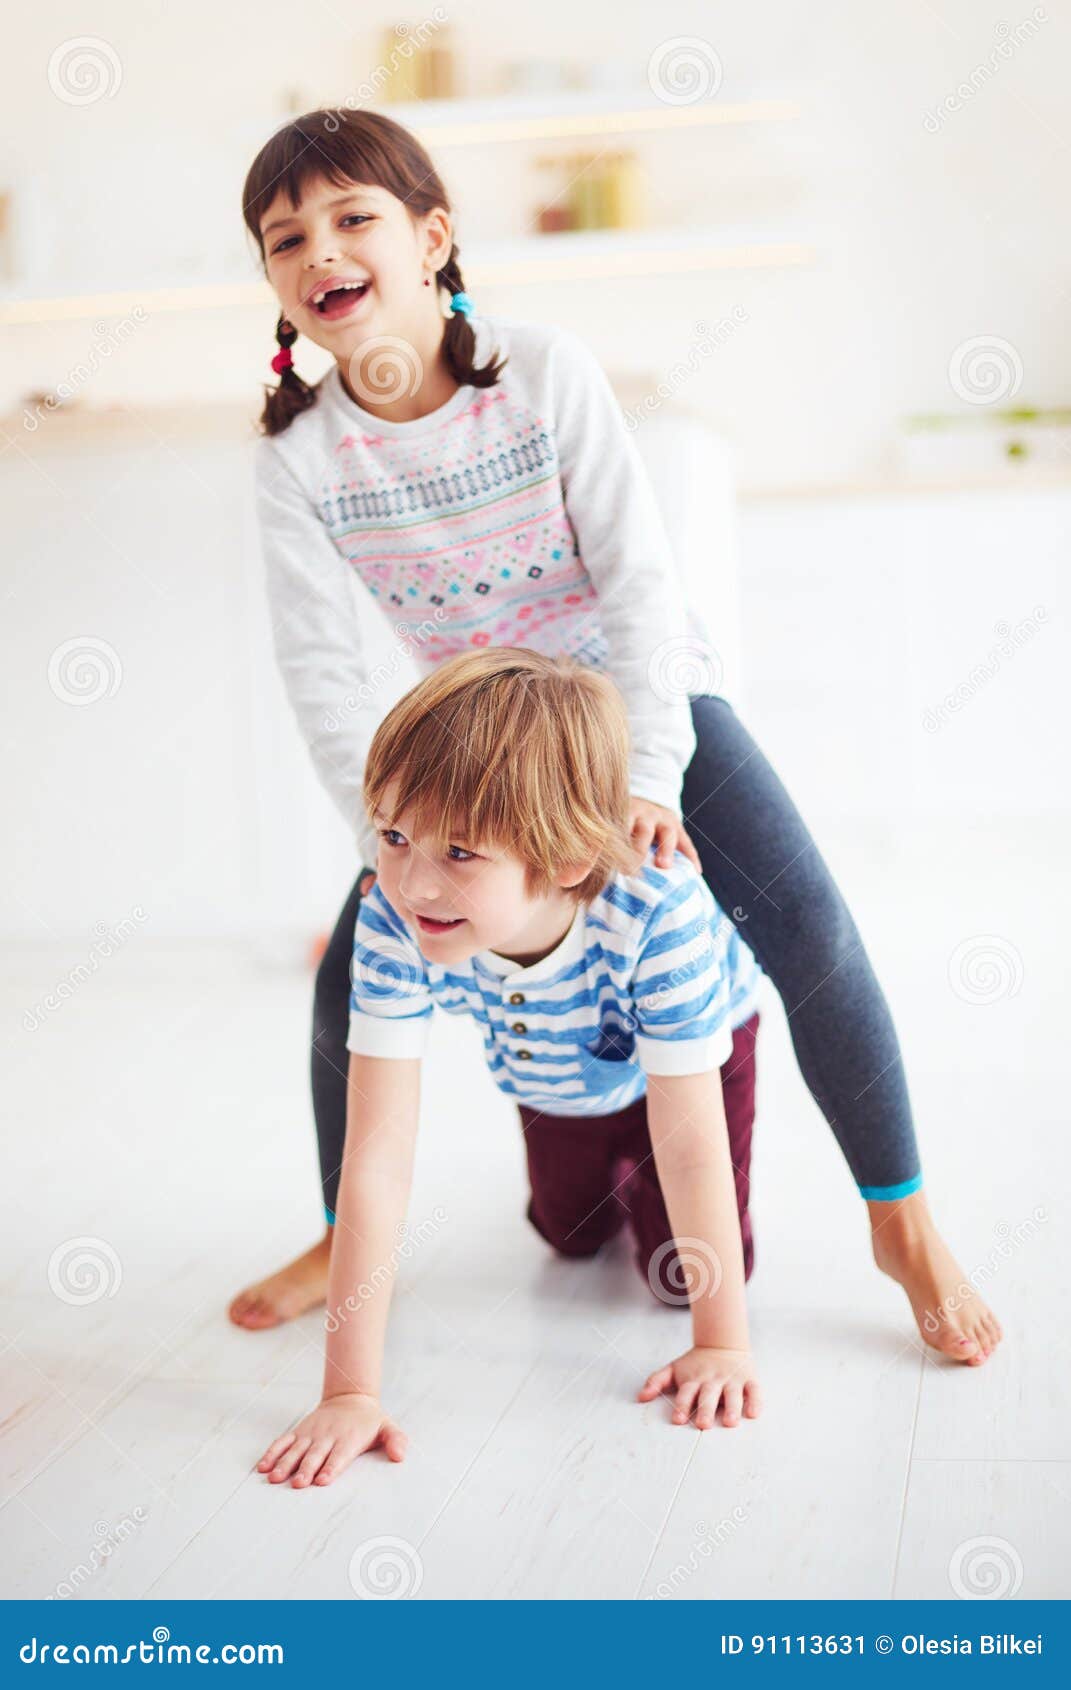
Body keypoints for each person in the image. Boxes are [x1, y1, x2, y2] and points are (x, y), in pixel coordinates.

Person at [229, 107, 1000, 1370]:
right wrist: (387, 840)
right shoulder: (299, 456)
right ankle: (337, 1237)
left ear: (432, 238)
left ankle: (901, 1227)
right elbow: (319, 671)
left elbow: (642, 583)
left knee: (806, 924)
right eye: (284, 237)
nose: (320, 250)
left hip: (639, 704)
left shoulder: (541, 371)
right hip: (481, 749)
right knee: (343, 979)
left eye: (352, 217)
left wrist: (648, 777)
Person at [258, 648, 764, 1489]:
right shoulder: (391, 912)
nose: (416, 882)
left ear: (565, 860)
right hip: (554, 1073)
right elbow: (375, 1159)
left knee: (680, 1277)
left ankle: (649, 1198)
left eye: (460, 853)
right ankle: (612, 1174)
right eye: (394, 835)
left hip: (686, 1070)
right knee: (566, 1236)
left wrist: (722, 1345)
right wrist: (349, 1393)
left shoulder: (657, 911)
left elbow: (692, 1147)